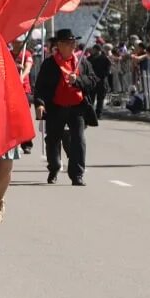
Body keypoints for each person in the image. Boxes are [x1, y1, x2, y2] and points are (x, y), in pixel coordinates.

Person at [34, 29, 98, 186]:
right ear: (60, 45)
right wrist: (40, 103)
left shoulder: (81, 61)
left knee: (79, 140)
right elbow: (40, 86)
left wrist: (78, 80)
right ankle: (54, 167)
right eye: (69, 43)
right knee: (53, 140)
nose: (73, 46)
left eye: (74, 43)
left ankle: (77, 175)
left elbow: (93, 80)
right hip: (56, 107)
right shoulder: (49, 63)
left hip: (77, 107)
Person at [88, 44, 112, 119]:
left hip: (102, 81)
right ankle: (90, 114)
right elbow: (87, 69)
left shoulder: (105, 59)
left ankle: (98, 114)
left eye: (93, 50)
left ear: (97, 50)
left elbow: (107, 71)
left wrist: (100, 77)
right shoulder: (89, 59)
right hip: (92, 81)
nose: (92, 51)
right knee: (91, 98)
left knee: (100, 99)